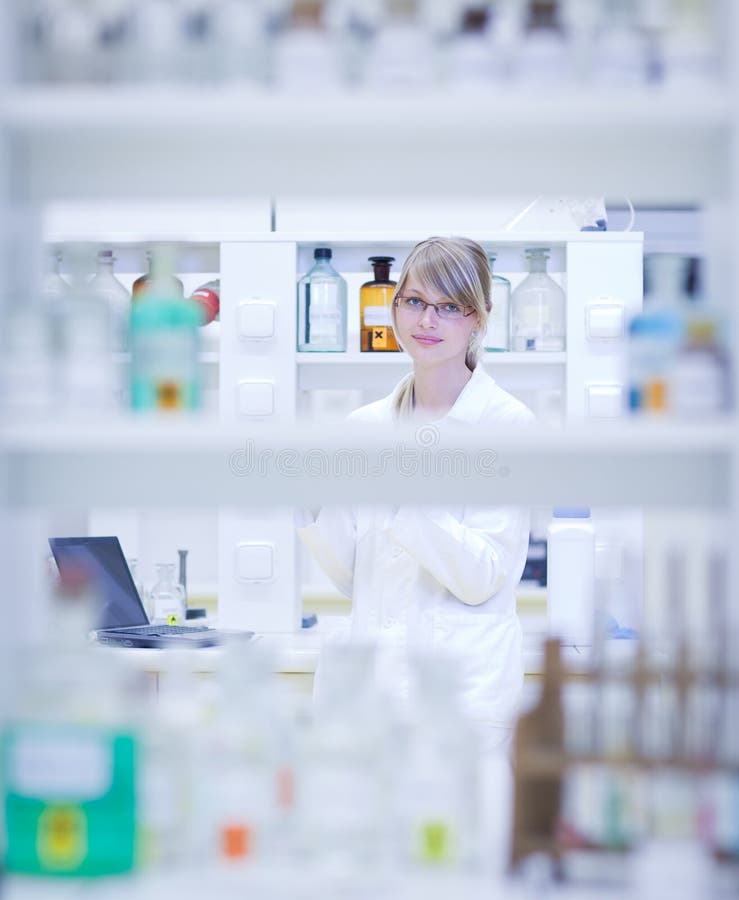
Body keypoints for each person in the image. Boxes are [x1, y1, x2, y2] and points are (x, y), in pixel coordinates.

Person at [297, 236, 534, 751]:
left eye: (450, 307)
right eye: (415, 302)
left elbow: (484, 576)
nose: (428, 321)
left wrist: (403, 499)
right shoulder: (367, 426)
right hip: (371, 694)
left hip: (460, 698)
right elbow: (351, 577)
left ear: (479, 317)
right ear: (395, 305)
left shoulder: (506, 425)